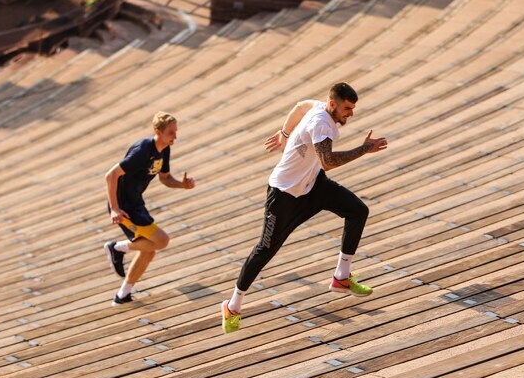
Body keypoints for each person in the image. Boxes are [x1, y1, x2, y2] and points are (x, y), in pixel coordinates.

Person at [221, 83, 388, 334]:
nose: (350, 113)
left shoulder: (319, 105)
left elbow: (300, 106)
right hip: (285, 195)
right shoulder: (321, 122)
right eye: (347, 108)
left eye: (352, 108)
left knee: (357, 210)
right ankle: (232, 306)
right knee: (265, 249)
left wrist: (284, 134)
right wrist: (365, 148)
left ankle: (341, 276)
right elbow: (328, 161)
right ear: (333, 104)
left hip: (313, 185)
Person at [104, 112, 195, 306]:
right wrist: (114, 209)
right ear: (157, 132)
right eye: (171, 132)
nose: (175, 137)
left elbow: (165, 178)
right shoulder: (143, 150)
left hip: (136, 203)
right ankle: (116, 248)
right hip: (124, 207)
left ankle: (122, 296)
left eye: (176, 131)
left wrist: (183, 185)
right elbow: (111, 176)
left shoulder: (164, 149)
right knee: (161, 240)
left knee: (149, 250)